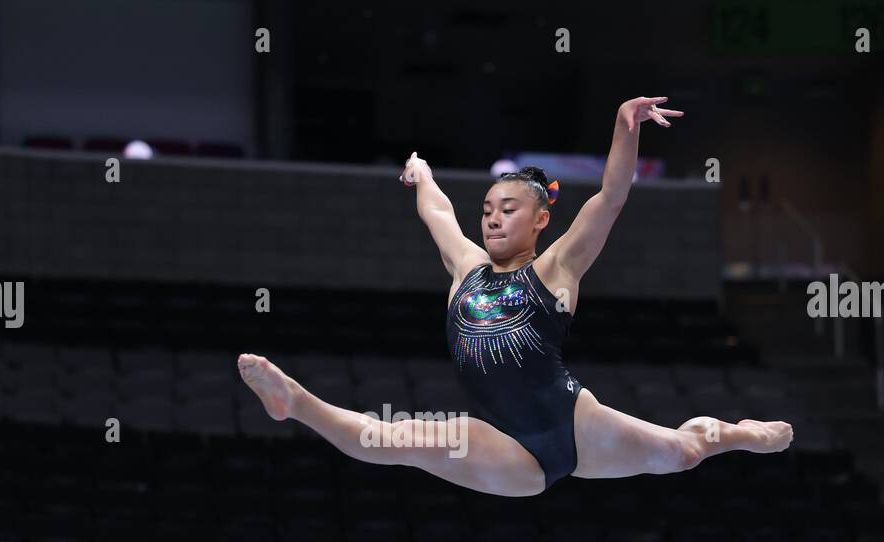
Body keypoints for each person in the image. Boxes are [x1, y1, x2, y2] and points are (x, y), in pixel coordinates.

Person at [239, 96, 792, 497]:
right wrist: (423, 172)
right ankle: (295, 402)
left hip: (574, 425)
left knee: (683, 452)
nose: (492, 220)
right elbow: (436, 213)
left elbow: (610, 198)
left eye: (508, 210)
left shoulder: (557, 268)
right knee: (396, 438)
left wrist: (627, 126)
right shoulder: (466, 270)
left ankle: (738, 433)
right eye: (486, 211)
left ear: (541, 219)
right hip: (503, 447)